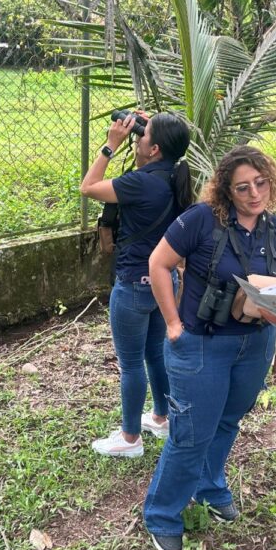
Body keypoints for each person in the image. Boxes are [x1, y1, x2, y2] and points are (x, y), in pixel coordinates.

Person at [143, 145, 276, 550]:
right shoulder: (202, 220)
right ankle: (163, 515)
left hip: (254, 344)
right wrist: (173, 323)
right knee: (190, 434)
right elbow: (158, 264)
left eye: (260, 183)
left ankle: (209, 487)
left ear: (270, 181)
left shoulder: (274, 228)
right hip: (203, 345)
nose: (253, 194)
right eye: (242, 187)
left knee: (228, 421)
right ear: (226, 189)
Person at [79, 111, 193, 457]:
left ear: (154, 148)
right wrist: (155, 125)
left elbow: (88, 187)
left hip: (132, 284)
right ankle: (162, 417)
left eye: (143, 135)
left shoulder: (139, 182)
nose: (136, 136)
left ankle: (130, 438)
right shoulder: (175, 176)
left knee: (130, 364)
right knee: (155, 354)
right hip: (164, 284)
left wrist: (110, 145)